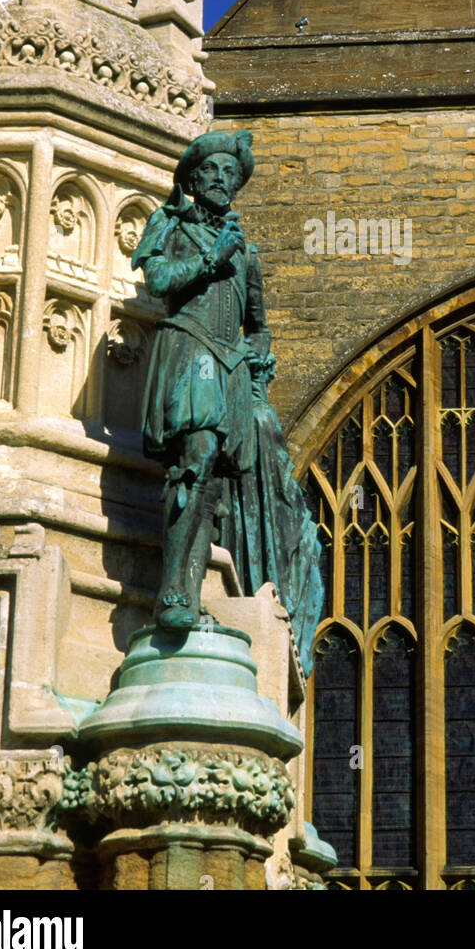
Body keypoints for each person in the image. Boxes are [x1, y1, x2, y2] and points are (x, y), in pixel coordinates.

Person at [132, 130, 322, 674]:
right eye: (211, 171)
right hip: (188, 347)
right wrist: (213, 260)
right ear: (192, 181)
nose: (220, 180)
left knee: (216, 475)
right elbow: (161, 279)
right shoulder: (171, 227)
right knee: (193, 459)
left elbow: (258, 325)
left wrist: (257, 365)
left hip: (230, 366)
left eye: (229, 175)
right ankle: (174, 591)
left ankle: (203, 583)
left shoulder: (248, 251)